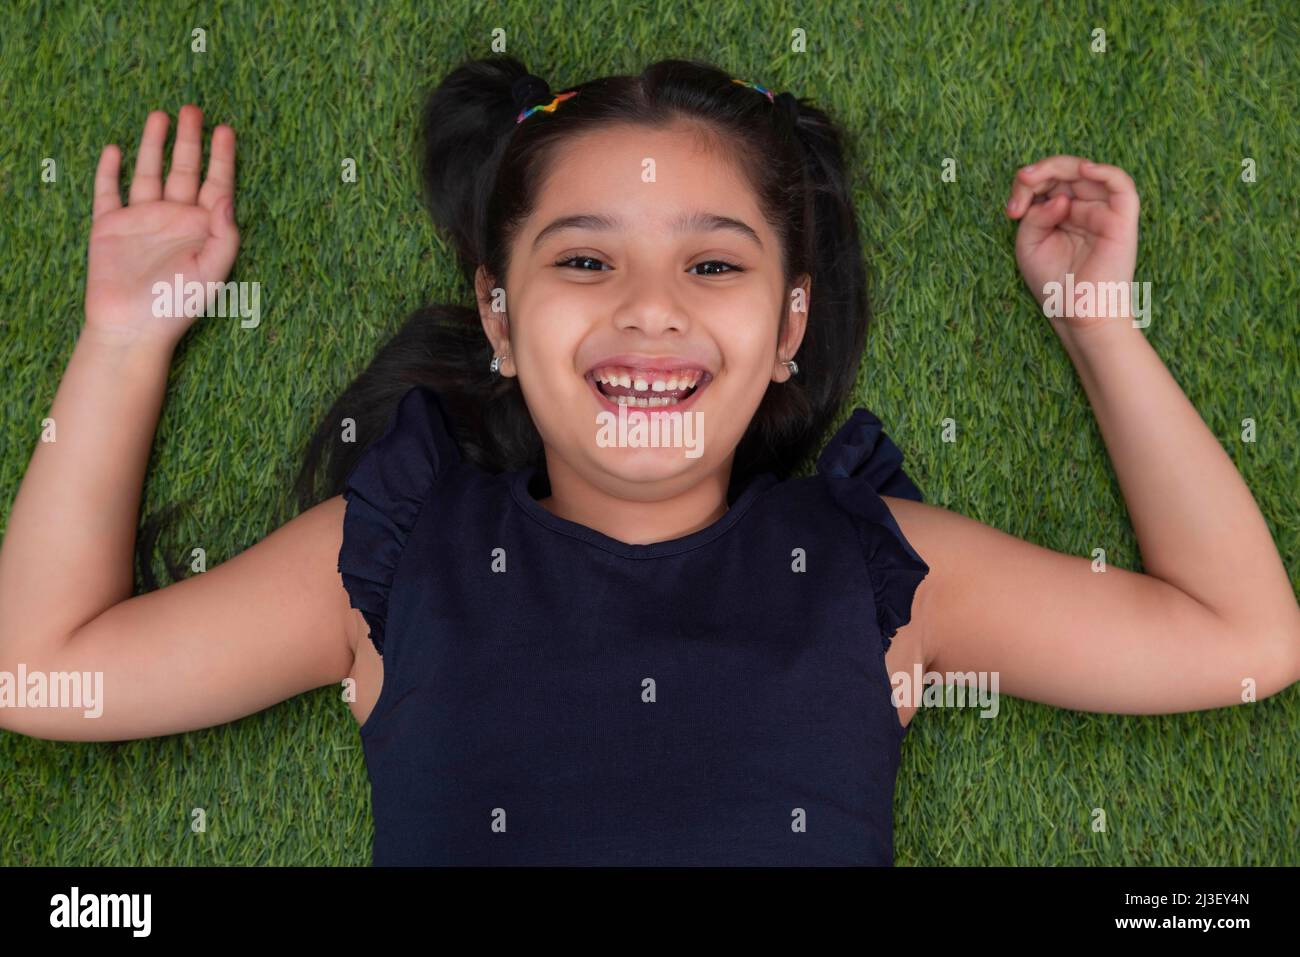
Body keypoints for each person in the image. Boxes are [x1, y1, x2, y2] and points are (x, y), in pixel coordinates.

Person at [1, 57, 1296, 866]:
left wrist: (1095, 327)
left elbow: (1242, 635)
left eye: (715, 263)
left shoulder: (876, 567)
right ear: (499, 319)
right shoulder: (394, 556)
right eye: (582, 258)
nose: (650, 305)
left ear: (790, 327)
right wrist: (124, 341)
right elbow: (41, 672)